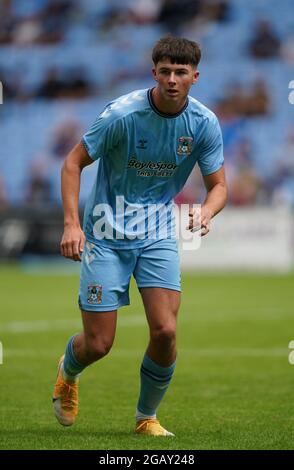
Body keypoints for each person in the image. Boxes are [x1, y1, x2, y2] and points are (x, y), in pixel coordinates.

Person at [53, 35, 227, 437]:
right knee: (98, 344)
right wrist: (71, 224)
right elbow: (72, 163)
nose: (171, 79)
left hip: (157, 234)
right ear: (154, 72)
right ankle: (69, 368)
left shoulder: (203, 123)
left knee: (165, 331)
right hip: (105, 234)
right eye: (164, 71)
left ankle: (145, 417)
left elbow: (219, 186)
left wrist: (206, 209)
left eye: (180, 72)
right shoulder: (122, 115)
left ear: (194, 77)